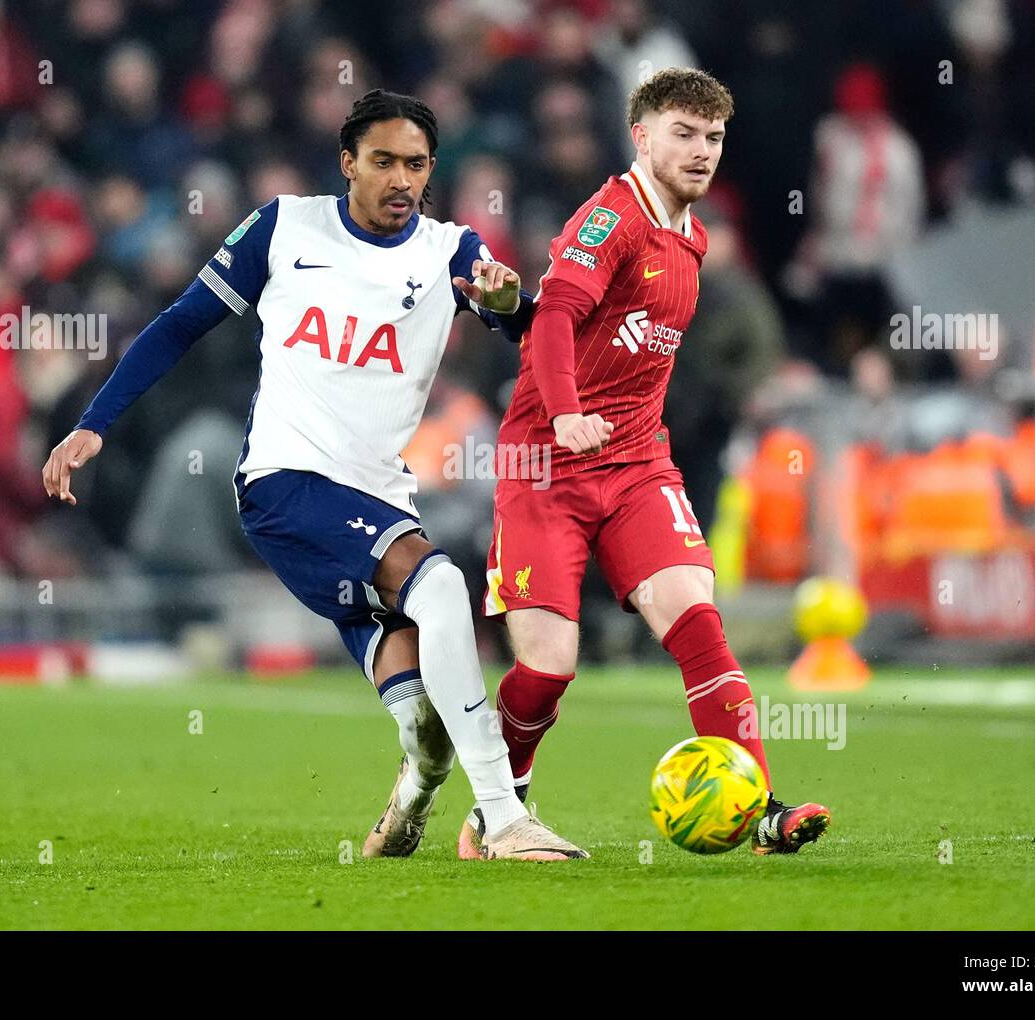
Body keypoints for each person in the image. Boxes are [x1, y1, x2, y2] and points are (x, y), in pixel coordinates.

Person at [42, 89, 585, 862]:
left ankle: (415, 790)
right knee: (436, 589)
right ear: (348, 163)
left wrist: (515, 307)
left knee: (424, 714)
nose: (402, 179)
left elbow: (527, 327)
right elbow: (179, 323)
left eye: (418, 165)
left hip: (378, 494)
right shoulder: (284, 226)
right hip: (283, 482)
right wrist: (94, 423)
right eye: (385, 161)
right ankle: (503, 817)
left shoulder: (450, 251)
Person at [474, 68, 830, 856]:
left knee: (700, 622)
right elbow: (559, 316)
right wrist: (565, 413)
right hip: (547, 465)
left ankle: (763, 808)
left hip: (637, 463)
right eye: (684, 133)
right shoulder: (610, 219)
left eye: (713, 138)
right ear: (642, 136)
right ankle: (498, 806)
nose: (701, 152)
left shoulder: (692, 234)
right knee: (548, 668)